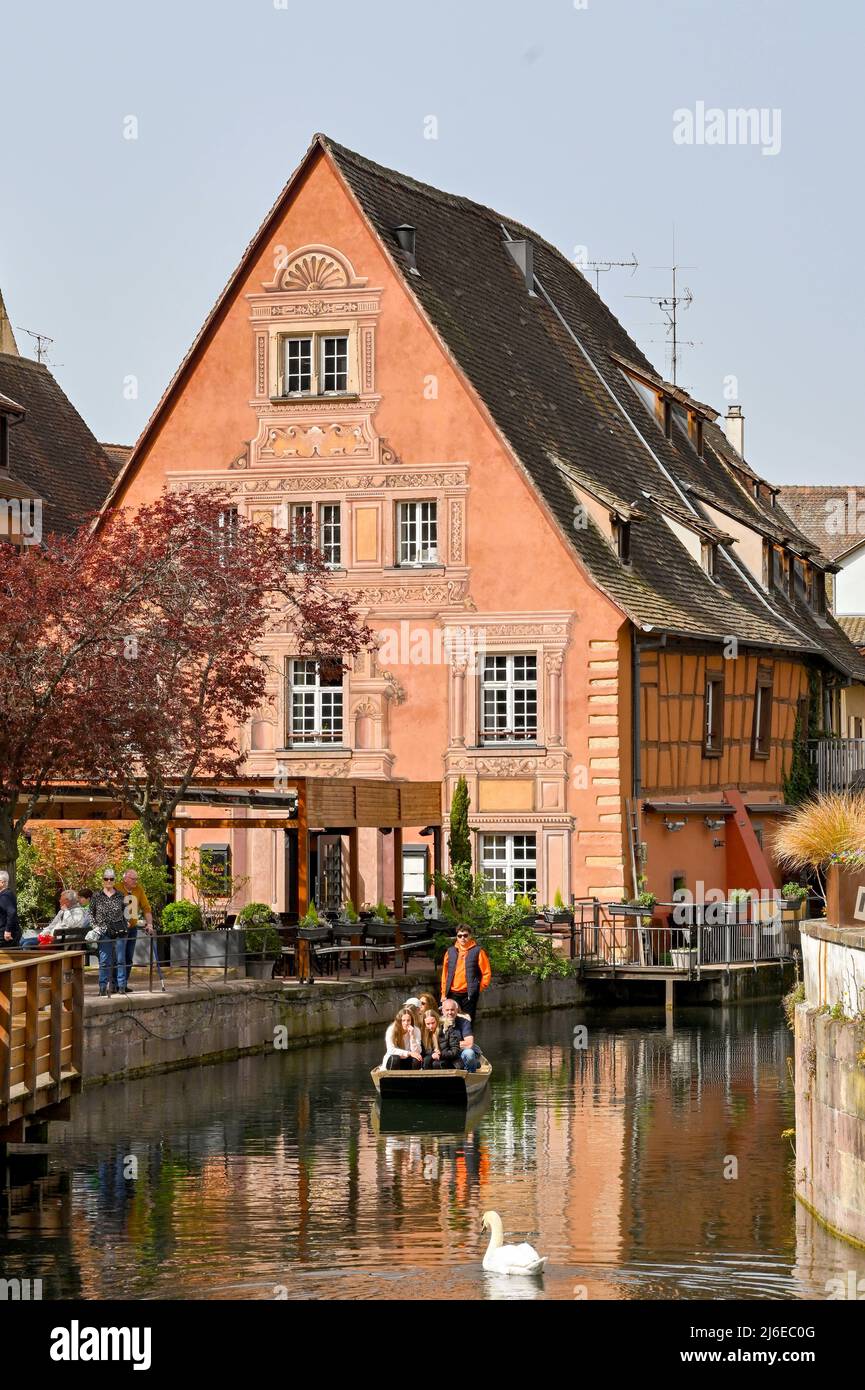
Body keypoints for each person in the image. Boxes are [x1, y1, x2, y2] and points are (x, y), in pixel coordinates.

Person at [440, 925, 491, 1025]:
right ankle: (454, 1040)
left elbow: (486, 972)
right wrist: (443, 993)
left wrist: (478, 988)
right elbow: (444, 974)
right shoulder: (450, 951)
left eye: (465, 935)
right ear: (457, 937)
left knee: (468, 1021)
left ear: (470, 936)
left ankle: (467, 1040)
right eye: (459, 936)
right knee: (451, 1022)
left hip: (469, 994)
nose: (462, 938)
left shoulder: (478, 951)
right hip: (452, 993)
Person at [90, 869, 130, 996]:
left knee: (120, 959)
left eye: (111, 879)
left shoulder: (120, 895)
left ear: (114, 880)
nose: (108, 881)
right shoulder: (96, 896)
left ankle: (121, 986)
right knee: (104, 960)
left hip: (119, 930)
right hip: (103, 931)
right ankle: (102, 987)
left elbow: (127, 912)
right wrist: (95, 926)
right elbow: (91, 913)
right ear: (102, 880)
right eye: (106, 878)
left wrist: (127, 922)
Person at [119, 869, 154, 990]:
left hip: (132, 928)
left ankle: (123, 984)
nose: (136, 881)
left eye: (136, 879)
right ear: (125, 879)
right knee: (119, 957)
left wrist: (149, 924)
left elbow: (146, 908)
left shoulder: (138, 890)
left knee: (128, 957)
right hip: (119, 929)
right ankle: (116, 984)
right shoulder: (117, 888)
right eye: (133, 879)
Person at [438, 997, 481, 1072]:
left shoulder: (464, 1022)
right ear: (442, 1011)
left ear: (457, 1010)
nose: (450, 1012)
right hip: (445, 1053)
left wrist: (451, 1046)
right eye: (447, 1010)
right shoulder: (438, 1022)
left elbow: (469, 1044)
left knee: (469, 1053)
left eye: (452, 1010)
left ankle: (471, 1074)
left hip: (461, 1051)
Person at [382, 1005, 422, 1071]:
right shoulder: (391, 1030)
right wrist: (409, 1053)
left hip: (407, 1060)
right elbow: (391, 1050)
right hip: (394, 1060)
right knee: (395, 1059)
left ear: (411, 1021)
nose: (406, 1023)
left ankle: (413, 1079)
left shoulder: (416, 1030)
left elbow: (417, 1052)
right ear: (399, 1021)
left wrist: (412, 1036)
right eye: (403, 1020)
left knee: (417, 1059)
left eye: (408, 1020)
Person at [0, 870, 20, 948]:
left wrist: (8, 931)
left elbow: (12, 912)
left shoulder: (6, 895)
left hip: (5, 934)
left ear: (2, 882)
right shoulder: (4, 895)